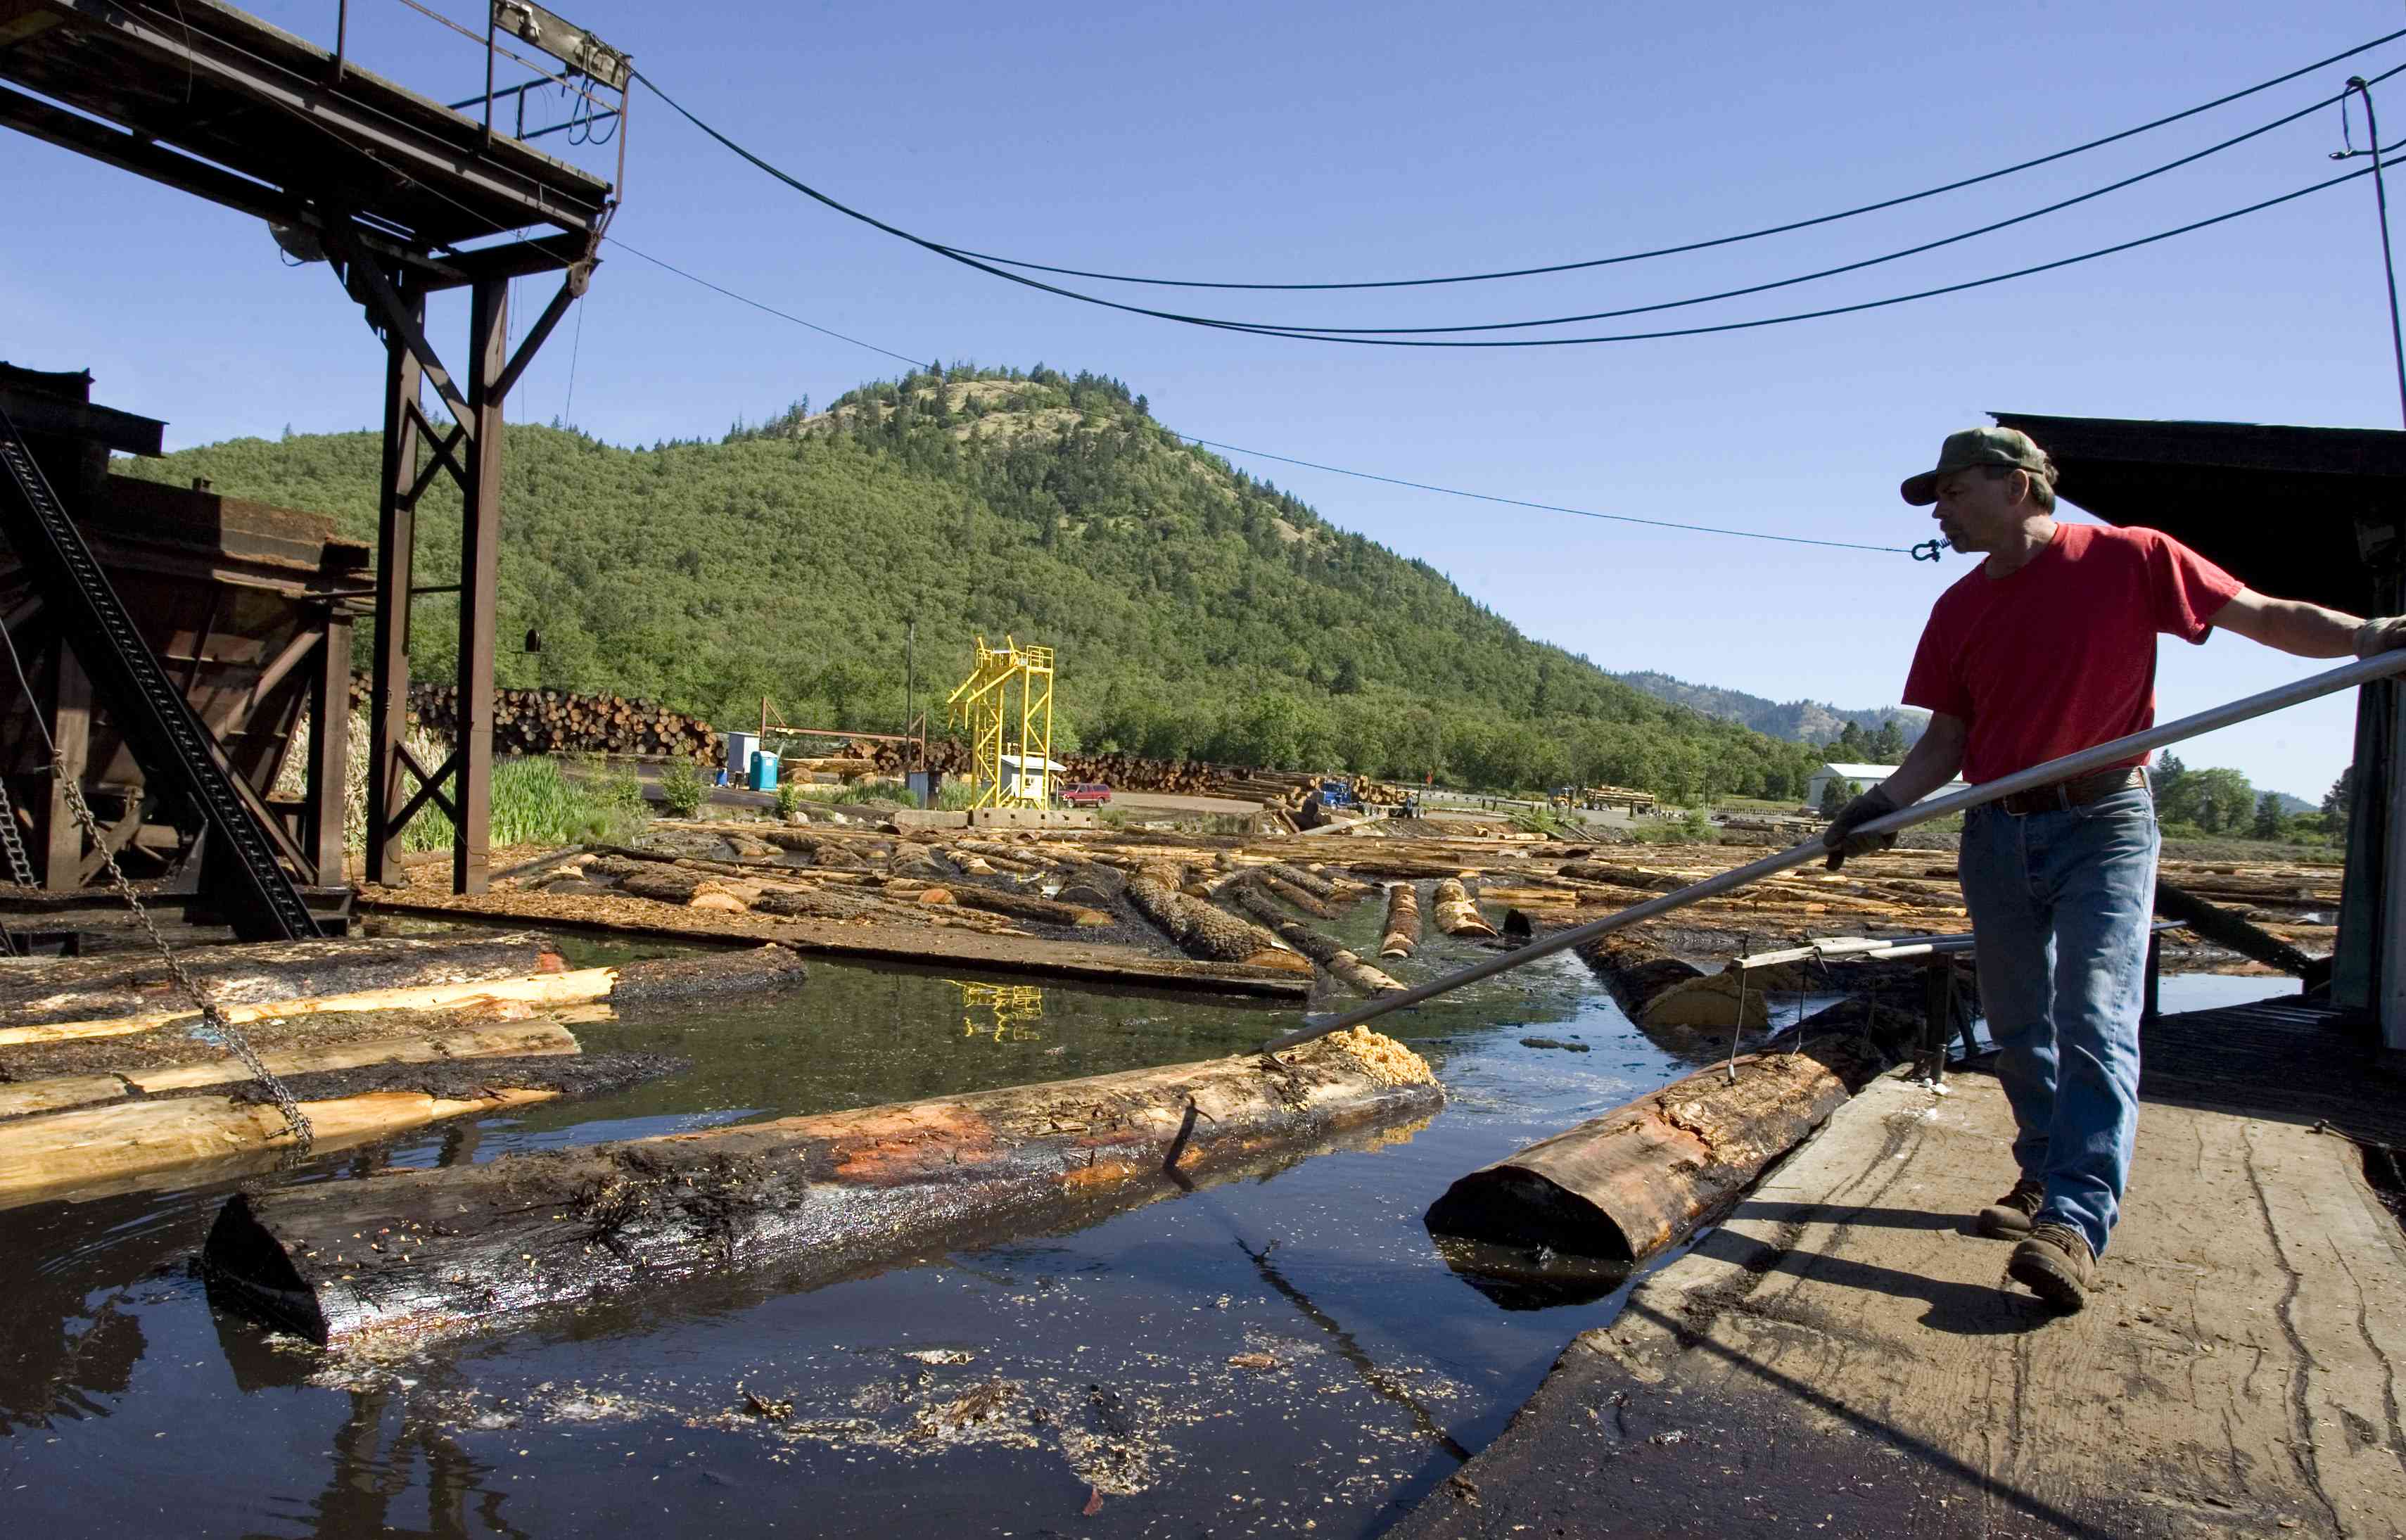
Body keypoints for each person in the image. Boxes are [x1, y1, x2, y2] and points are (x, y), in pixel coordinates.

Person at [1823, 426, 2406, 1311]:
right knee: (2020, 1022)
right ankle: (2046, 1173)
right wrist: (1881, 806)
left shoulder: (2132, 557)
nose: (1940, 509)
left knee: (2094, 1011)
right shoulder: (1957, 607)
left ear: (2015, 484)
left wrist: (2369, 633)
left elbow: (2262, 613)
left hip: (2106, 818)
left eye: (1950, 490)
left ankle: (2075, 1223)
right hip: (1996, 828)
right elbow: (1946, 742)